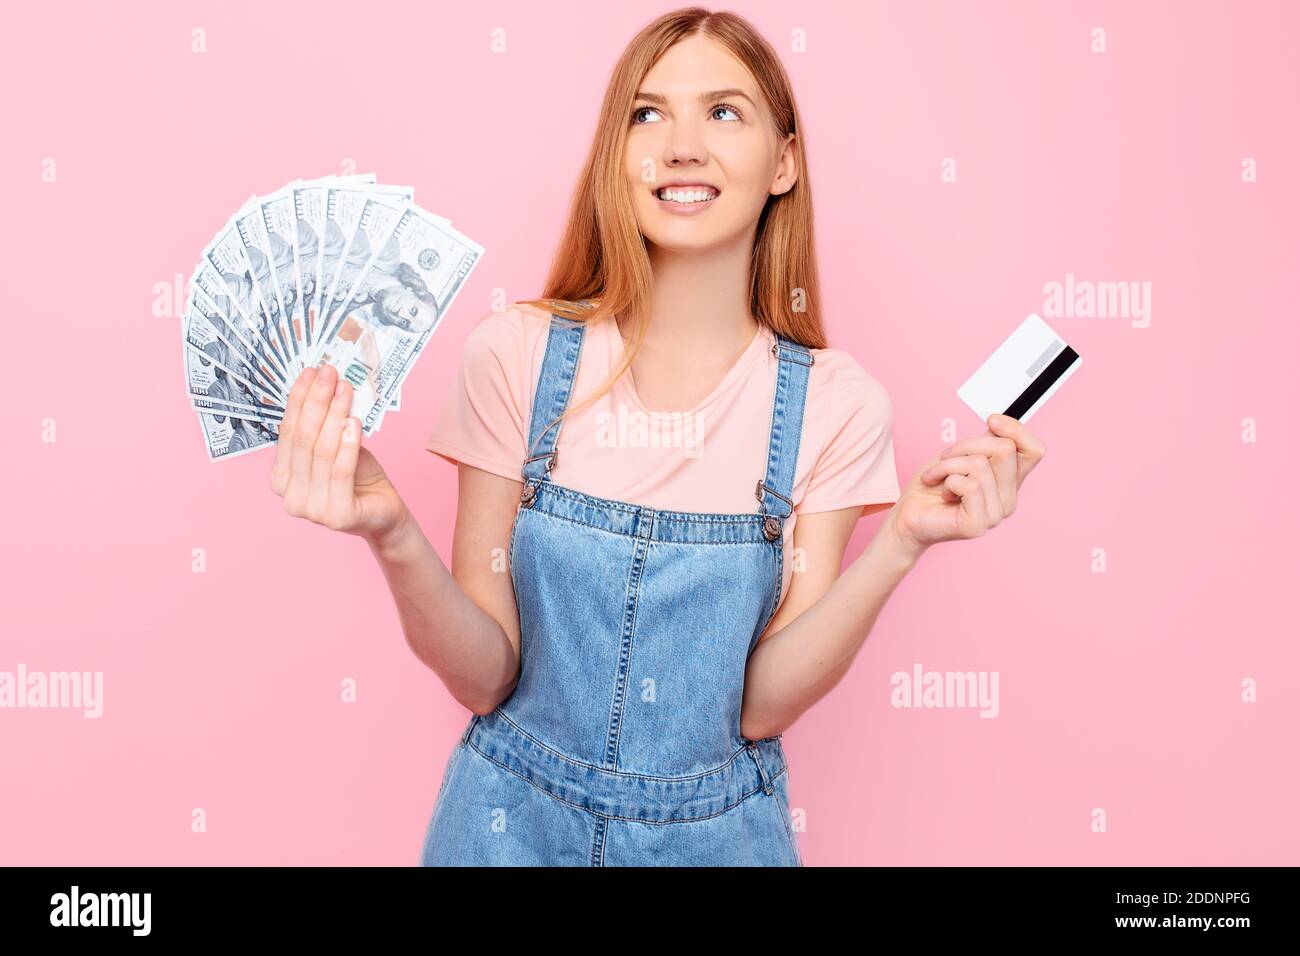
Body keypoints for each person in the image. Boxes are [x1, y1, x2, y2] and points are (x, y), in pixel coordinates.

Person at [269, 7, 1046, 866]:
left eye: (724, 111)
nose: (681, 145)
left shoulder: (837, 403)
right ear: (618, 154)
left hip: (720, 841)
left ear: (784, 161)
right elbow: (485, 675)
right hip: (504, 830)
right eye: (647, 113)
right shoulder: (517, 357)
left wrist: (902, 541)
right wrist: (392, 532)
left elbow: (755, 709)